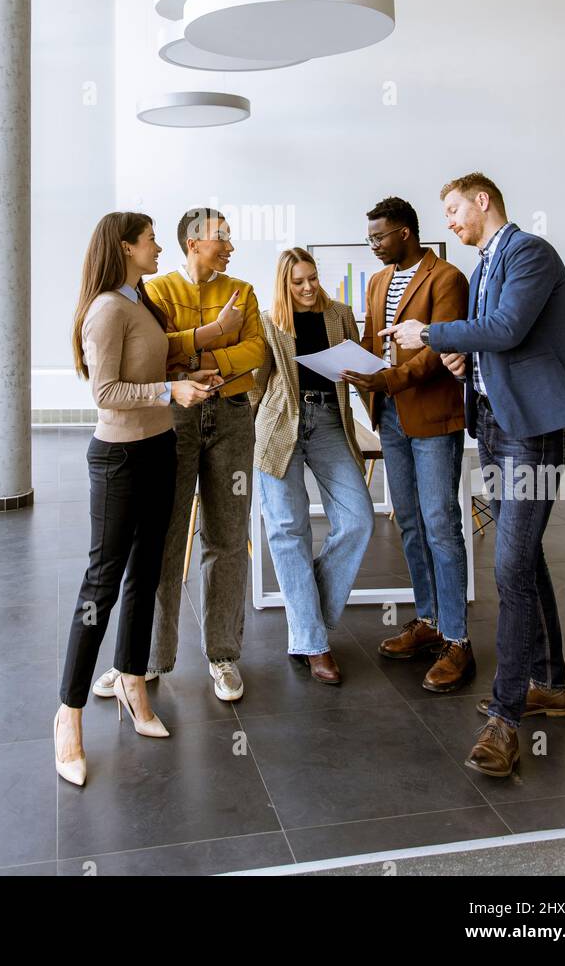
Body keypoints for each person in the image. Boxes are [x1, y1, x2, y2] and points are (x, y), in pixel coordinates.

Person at [385, 173, 565, 779]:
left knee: (508, 566)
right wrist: (458, 356)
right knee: (524, 557)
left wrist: (429, 333)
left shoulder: (530, 253)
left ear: (483, 202)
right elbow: (489, 343)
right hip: (497, 428)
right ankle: (549, 686)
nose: (447, 220)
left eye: (452, 209)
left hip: (533, 430)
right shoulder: (481, 268)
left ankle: (505, 719)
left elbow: (507, 330)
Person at [54, 212, 217, 785]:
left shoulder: (139, 301)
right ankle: (68, 716)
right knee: (102, 582)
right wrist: (169, 389)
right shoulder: (105, 308)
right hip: (120, 459)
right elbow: (105, 393)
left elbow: (150, 362)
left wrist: (189, 374)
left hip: (160, 448)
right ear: (126, 247)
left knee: (145, 574)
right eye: (149, 240)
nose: (156, 248)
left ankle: (131, 683)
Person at [93, 207, 266, 703]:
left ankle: (223, 655)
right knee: (164, 540)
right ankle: (145, 660)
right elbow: (153, 353)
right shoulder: (157, 290)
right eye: (221, 238)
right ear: (194, 242)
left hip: (232, 417)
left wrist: (202, 360)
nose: (230, 247)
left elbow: (256, 351)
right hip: (175, 420)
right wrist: (209, 343)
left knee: (228, 536)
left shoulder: (244, 292)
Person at [342, 197, 474, 692]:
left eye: (380, 236)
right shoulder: (377, 282)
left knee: (441, 522)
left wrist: (390, 380)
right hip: (391, 416)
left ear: (406, 232)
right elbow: (378, 345)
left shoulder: (446, 278)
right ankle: (429, 621)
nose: (373, 245)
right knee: (412, 520)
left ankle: (458, 641)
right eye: (370, 237)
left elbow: (440, 349)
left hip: (431, 413)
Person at [249, 248, 375, 683]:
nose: (307, 288)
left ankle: (309, 618)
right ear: (284, 284)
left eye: (312, 279)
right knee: (288, 530)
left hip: (328, 422)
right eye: (298, 282)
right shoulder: (268, 322)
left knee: (358, 519)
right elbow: (257, 383)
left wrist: (360, 373)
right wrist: (250, 431)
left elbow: (356, 368)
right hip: (279, 423)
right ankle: (314, 643)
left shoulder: (339, 314)